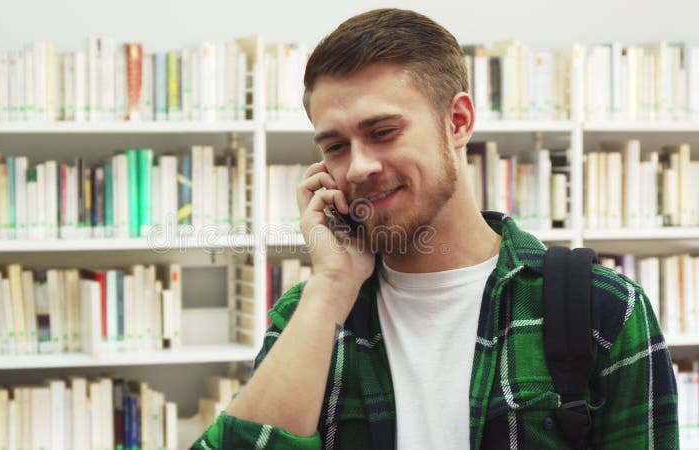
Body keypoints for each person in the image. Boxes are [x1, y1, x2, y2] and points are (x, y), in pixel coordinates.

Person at [193, 8, 678, 449]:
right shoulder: (309, 317)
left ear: (458, 121)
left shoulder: (604, 309)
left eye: (382, 132)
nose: (358, 167)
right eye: (336, 146)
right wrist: (332, 285)